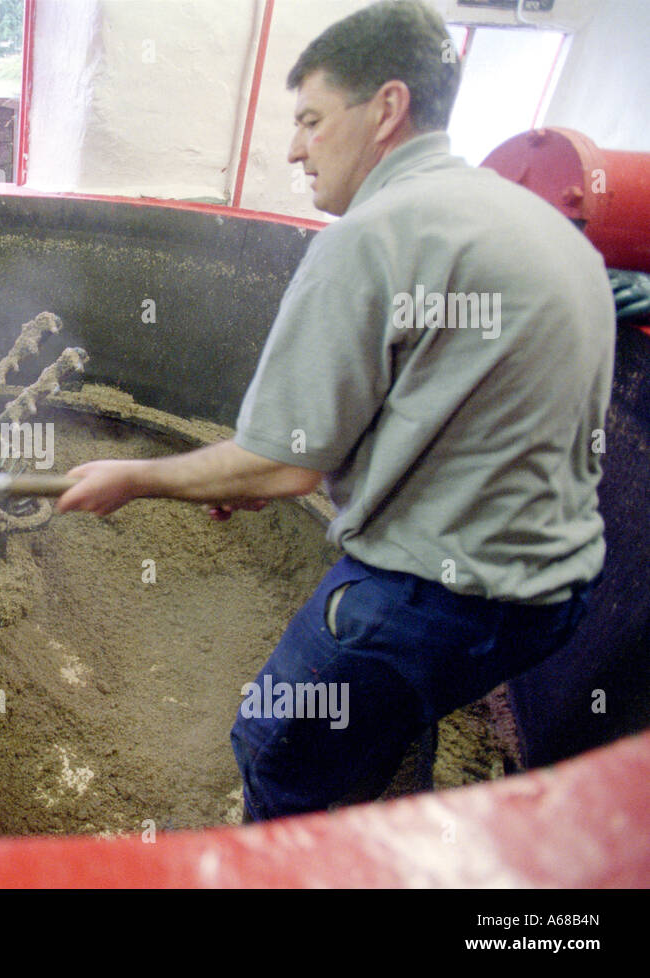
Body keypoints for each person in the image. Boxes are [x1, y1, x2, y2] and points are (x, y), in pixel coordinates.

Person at [56, 0, 615, 822]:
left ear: (387, 109)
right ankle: (387, 802)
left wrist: (135, 477)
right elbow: (440, 414)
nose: (293, 148)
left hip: (425, 603)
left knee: (279, 743)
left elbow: (284, 462)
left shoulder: (372, 234)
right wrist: (267, 469)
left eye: (312, 120)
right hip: (551, 600)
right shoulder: (544, 228)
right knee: (385, 719)